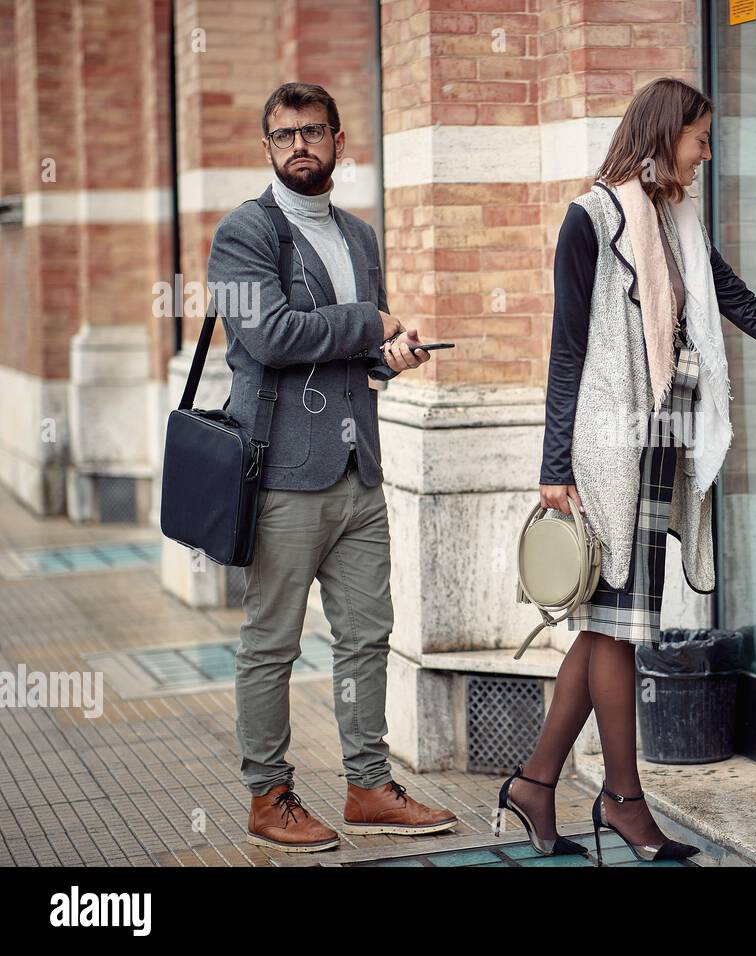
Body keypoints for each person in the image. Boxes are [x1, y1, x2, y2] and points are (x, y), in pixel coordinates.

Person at [499, 77, 756, 863]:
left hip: (661, 444)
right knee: (620, 629)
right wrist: (552, 463)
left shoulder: (681, 222)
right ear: (666, 135)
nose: (703, 155)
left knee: (608, 626)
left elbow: (752, 312)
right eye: (699, 139)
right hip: (605, 450)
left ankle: (534, 783)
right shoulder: (589, 219)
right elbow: (566, 352)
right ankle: (624, 800)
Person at [206, 82, 456, 852]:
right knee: (272, 642)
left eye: (313, 131)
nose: (300, 146)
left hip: (359, 469)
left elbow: (353, 356)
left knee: (366, 637)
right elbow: (274, 337)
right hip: (282, 473)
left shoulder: (359, 237)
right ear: (267, 148)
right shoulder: (244, 234)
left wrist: (390, 358)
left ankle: (368, 786)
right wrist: (366, 323)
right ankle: (269, 794)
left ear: (339, 140)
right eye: (283, 136)